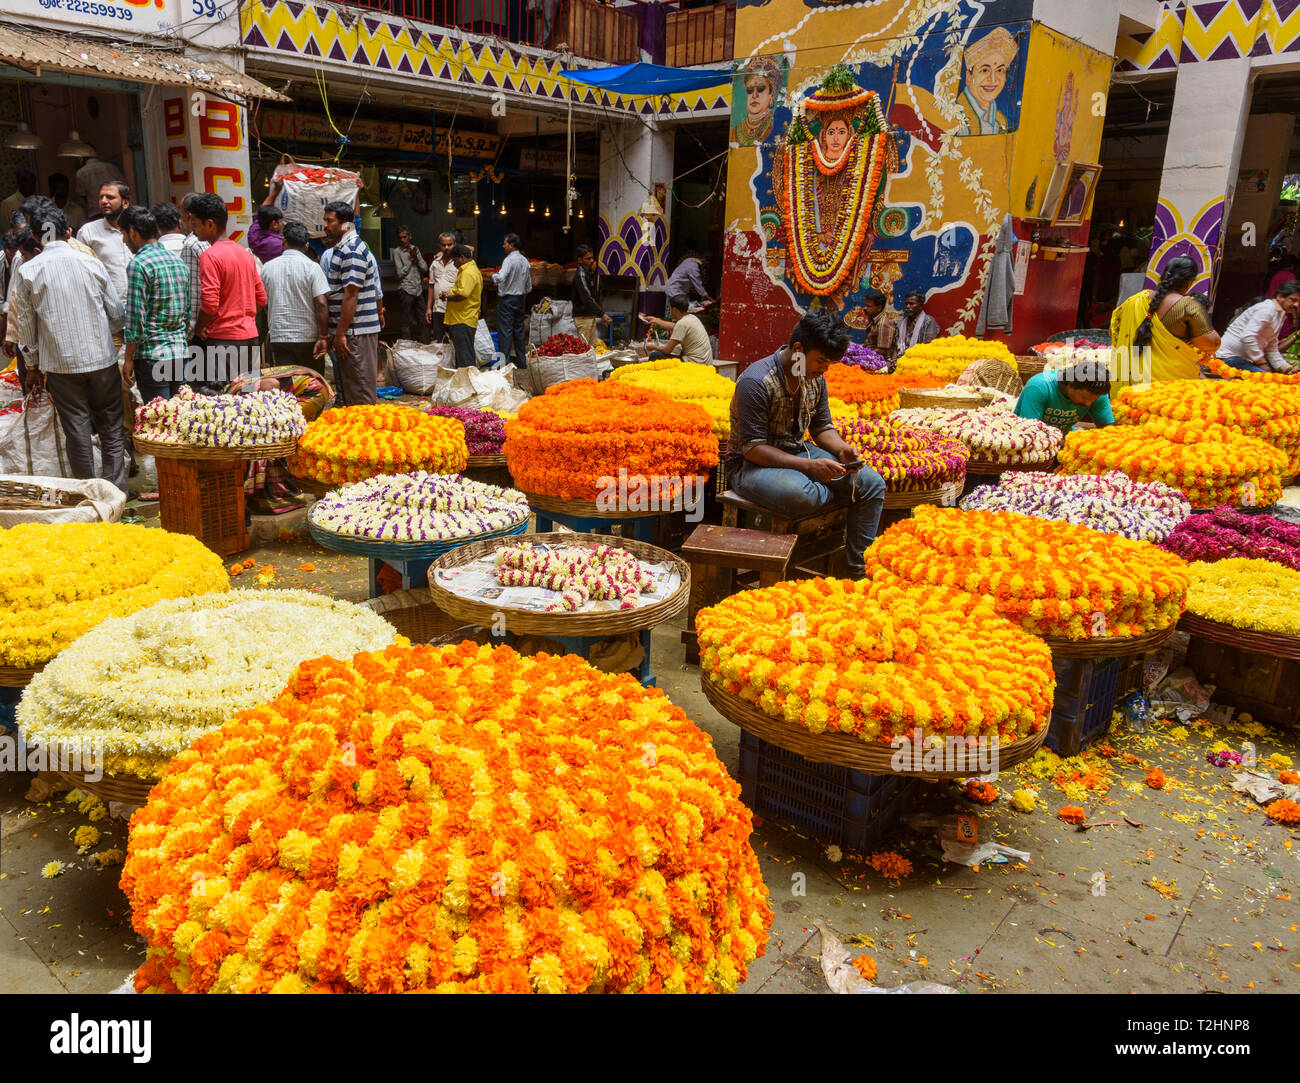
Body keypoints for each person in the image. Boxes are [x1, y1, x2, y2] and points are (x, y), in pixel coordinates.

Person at [727, 310, 885, 577]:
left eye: (828, 364)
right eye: (821, 361)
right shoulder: (756, 382)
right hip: (750, 465)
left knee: (871, 484)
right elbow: (753, 449)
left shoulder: (814, 378)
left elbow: (822, 427)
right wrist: (810, 469)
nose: (824, 369)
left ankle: (858, 571)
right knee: (803, 495)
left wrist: (841, 449)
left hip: (798, 452)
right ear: (798, 349)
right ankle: (828, 489)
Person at [10, 204, 127, 492]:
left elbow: (27, 330)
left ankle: (90, 495)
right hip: (101, 359)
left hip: (60, 366)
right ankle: (116, 493)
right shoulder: (91, 262)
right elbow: (117, 314)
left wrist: (33, 367)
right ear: (67, 232)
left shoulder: (28, 271)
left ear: (36, 237)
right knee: (111, 426)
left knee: (77, 431)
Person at [190, 191, 266, 391]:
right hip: (250, 337)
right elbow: (261, 299)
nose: (193, 230)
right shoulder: (245, 254)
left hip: (223, 339)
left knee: (223, 402)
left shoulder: (210, 256)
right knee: (249, 398)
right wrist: (244, 316)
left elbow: (210, 304)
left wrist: (199, 328)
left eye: (196, 224)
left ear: (210, 224)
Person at [1110, 257, 1221, 384]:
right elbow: (1210, 344)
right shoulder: (1187, 306)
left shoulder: (1135, 300)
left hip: (1129, 382)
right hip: (1167, 388)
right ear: (1189, 283)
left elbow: (1113, 331)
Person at [120, 205, 189, 405]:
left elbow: (135, 320)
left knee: (160, 422)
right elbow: (186, 312)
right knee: (179, 416)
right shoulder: (178, 263)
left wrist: (129, 358)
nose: (124, 240)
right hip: (179, 353)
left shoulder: (139, 264)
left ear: (132, 232)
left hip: (152, 355)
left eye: (124, 234)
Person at [320, 200, 381, 403]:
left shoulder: (352, 250)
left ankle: (368, 432)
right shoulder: (343, 248)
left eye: (330, 221)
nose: (326, 226)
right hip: (351, 333)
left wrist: (340, 334)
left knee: (360, 392)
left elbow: (351, 295)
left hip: (355, 333)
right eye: (325, 220)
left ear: (345, 223)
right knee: (352, 391)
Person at [260, 221, 329, 373]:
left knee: (285, 387)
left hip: (279, 336)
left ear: (283, 242)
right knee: (312, 386)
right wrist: (323, 336)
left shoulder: (267, 268)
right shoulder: (312, 267)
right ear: (306, 246)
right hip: (308, 337)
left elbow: (261, 302)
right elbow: (321, 304)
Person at [1216, 282, 1300, 375]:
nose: (1296, 305)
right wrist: (1261, 363)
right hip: (1228, 357)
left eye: (1299, 302)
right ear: (1280, 296)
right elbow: (1248, 337)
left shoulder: (1280, 314)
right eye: (1293, 300)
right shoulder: (1267, 308)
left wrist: (1286, 368)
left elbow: (1271, 346)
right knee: (1267, 379)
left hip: (1246, 359)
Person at [1014, 363, 1114, 437]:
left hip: (1063, 438)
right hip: (1024, 440)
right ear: (1072, 384)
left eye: (1092, 401)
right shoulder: (1039, 387)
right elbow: (1029, 433)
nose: (1088, 404)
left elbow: (1107, 428)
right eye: (1084, 398)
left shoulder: (1096, 393)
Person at [954, 27, 1017, 136]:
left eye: (1000, 70)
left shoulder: (1000, 121)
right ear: (969, 76)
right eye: (984, 70)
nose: (993, 79)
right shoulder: (955, 118)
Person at [77, 181, 132, 300]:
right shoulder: (88, 232)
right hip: (108, 306)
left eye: (110, 197)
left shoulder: (137, 229)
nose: (104, 201)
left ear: (125, 202)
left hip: (138, 305)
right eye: (101, 197)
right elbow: (83, 273)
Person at [441, 244, 483, 369]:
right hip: (461, 318)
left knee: (465, 357)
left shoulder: (468, 272)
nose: (453, 263)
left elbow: (462, 294)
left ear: (462, 257)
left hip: (463, 319)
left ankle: (468, 383)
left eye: (454, 260)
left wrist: (447, 297)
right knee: (462, 354)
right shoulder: (469, 270)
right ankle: (465, 382)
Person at [639, 294, 713, 364]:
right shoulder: (692, 318)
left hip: (695, 363)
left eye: (669, 308)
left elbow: (667, 350)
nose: (669, 311)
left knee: (655, 355)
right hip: (705, 362)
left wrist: (653, 347)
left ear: (674, 309)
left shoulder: (682, 323)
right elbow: (674, 326)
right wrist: (655, 320)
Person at [493, 232, 530, 367]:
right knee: (519, 331)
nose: (503, 246)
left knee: (505, 331)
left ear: (512, 245)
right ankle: (522, 361)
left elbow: (501, 277)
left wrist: (493, 277)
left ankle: (505, 363)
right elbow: (529, 286)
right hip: (520, 299)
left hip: (508, 300)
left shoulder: (509, 260)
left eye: (505, 243)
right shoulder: (525, 261)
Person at [179, 193, 211, 339]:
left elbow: (194, 292)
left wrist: (192, 329)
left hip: (202, 328)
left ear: (189, 216)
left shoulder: (191, 244)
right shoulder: (214, 241)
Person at [391, 224, 429, 344]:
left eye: (405, 237)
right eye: (400, 238)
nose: (403, 240)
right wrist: (410, 261)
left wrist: (416, 258)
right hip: (406, 289)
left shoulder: (415, 249)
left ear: (410, 236)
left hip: (418, 289)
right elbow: (399, 274)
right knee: (407, 320)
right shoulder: (397, 252)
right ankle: (406, 346)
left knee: (424, 319)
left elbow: (425, 268)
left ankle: (425, 344)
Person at [731, 56, 781, 146]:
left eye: (760, 89)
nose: (754, 95)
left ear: (772, 93)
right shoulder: (733, 133)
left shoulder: (777, 128)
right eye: (750, 90)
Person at [572, 243, 612, 348]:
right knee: (584, 349)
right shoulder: (580, 275)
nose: (591, 261)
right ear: (580, 260)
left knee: (590, 348)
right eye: (588, 259)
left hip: (589, 316)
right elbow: (586, 298)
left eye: (592, 258)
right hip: (583, 317)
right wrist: (602, 314)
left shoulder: (588, 273)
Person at [424, 231, 459, 343]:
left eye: (450, 244)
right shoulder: (435, 264)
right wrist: (429, 307)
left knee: (455, 342)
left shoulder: (459, 263)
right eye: (443, 245)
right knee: (440, 341)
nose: (447, 247)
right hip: (438, 309)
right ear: (439, 246)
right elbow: (431, 286)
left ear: (454, 244)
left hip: (454, 309)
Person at [665, 243, 712, 311]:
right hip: (675, 292)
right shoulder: (693, 267)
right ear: (705, 261)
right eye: (708, 264)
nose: (708, 266)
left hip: (677, 290)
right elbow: (698, 286)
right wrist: (711, 300)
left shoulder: (689, 259)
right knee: (676, 313)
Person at [860, 287, 898, 362]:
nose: (865, 308)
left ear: (879, 308)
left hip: (880, 361)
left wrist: (861, 355)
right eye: (865, 305)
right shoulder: (872, 319)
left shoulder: (883, 323)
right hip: (870, 357)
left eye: (868, 306)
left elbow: (882, 351)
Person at [249, 187, 285, 263]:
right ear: (274, 224)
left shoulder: (254, 231)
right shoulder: (277, 244)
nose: (282, 224)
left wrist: (276, 190)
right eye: (280, 221)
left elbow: (262, 209)